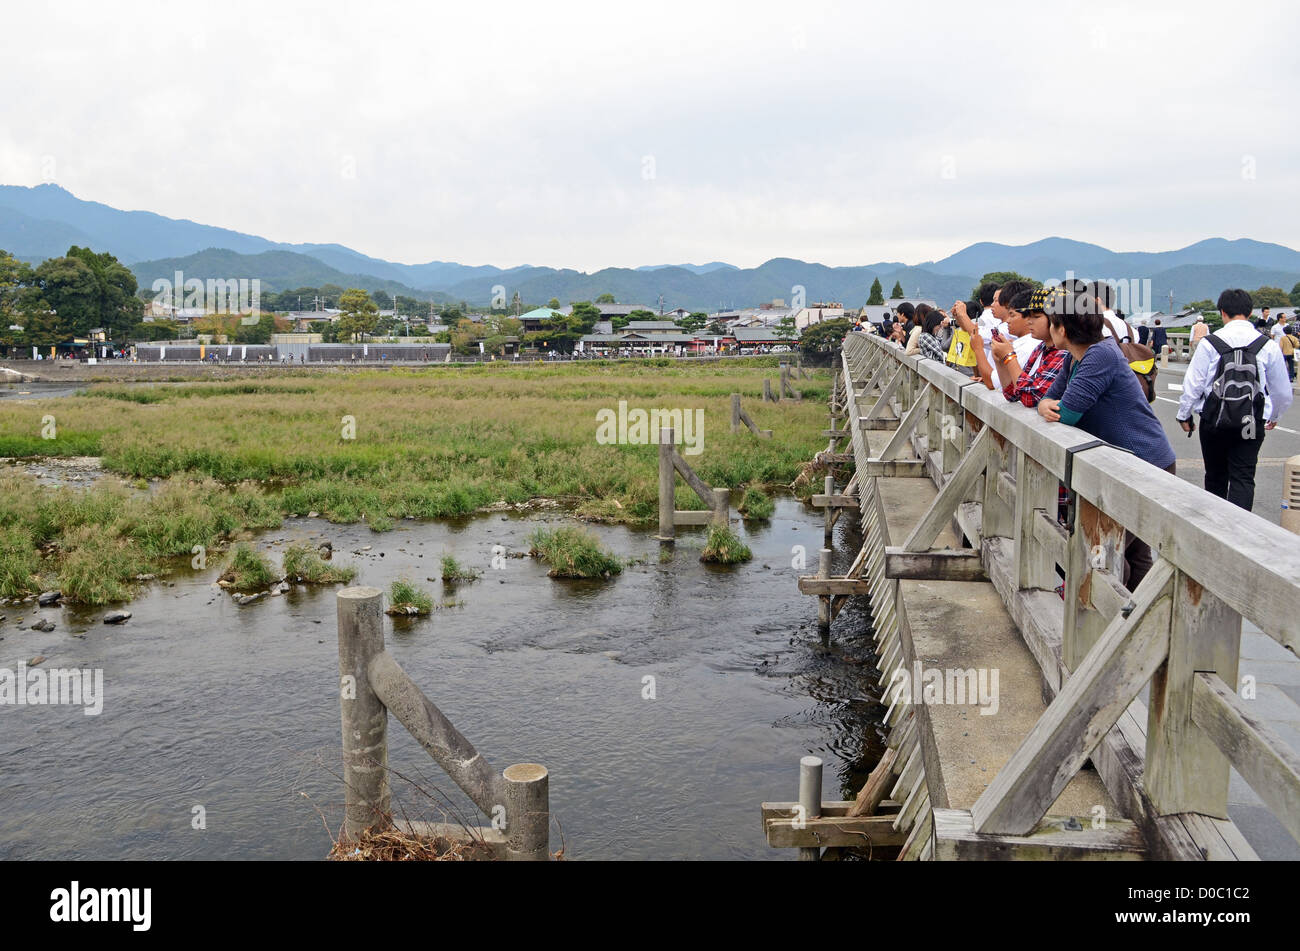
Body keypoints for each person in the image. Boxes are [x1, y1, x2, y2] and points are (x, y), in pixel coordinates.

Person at [1037, 285, 1175, 589]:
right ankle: (1131, 624)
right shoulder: (1075, 357)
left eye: (1051, 321)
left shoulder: (1100, 355)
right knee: (1133, 552)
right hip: (1130, 461)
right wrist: (1045, 404)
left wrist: (1048, 405)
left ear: (1062, 328)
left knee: (1111, 553)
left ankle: (1111, 620)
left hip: (1144, 462)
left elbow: (1067, 413)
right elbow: (1050, 398)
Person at [1175, 288, 1293, 511]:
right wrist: (1274, 415)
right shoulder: (1267, 345)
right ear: (1250, 313)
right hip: (1250, 420)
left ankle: (1216, 529)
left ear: (1222, 312)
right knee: (1243, 476)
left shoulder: (1210, 343)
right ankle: (1240, 533)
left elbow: (1193, 384)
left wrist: (1184, 414)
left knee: (1215, 475)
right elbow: (1282, 391)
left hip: (1214, 420)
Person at [994, 286, 1068, 406]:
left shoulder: (1064, 352)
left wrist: (1009, 357)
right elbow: (1012, 393)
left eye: (1036, 316)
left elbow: (1031, 397)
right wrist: (1000, 361)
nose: (1029, 321)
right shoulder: (1041, 348)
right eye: (1028, 316)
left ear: (1056, 318)